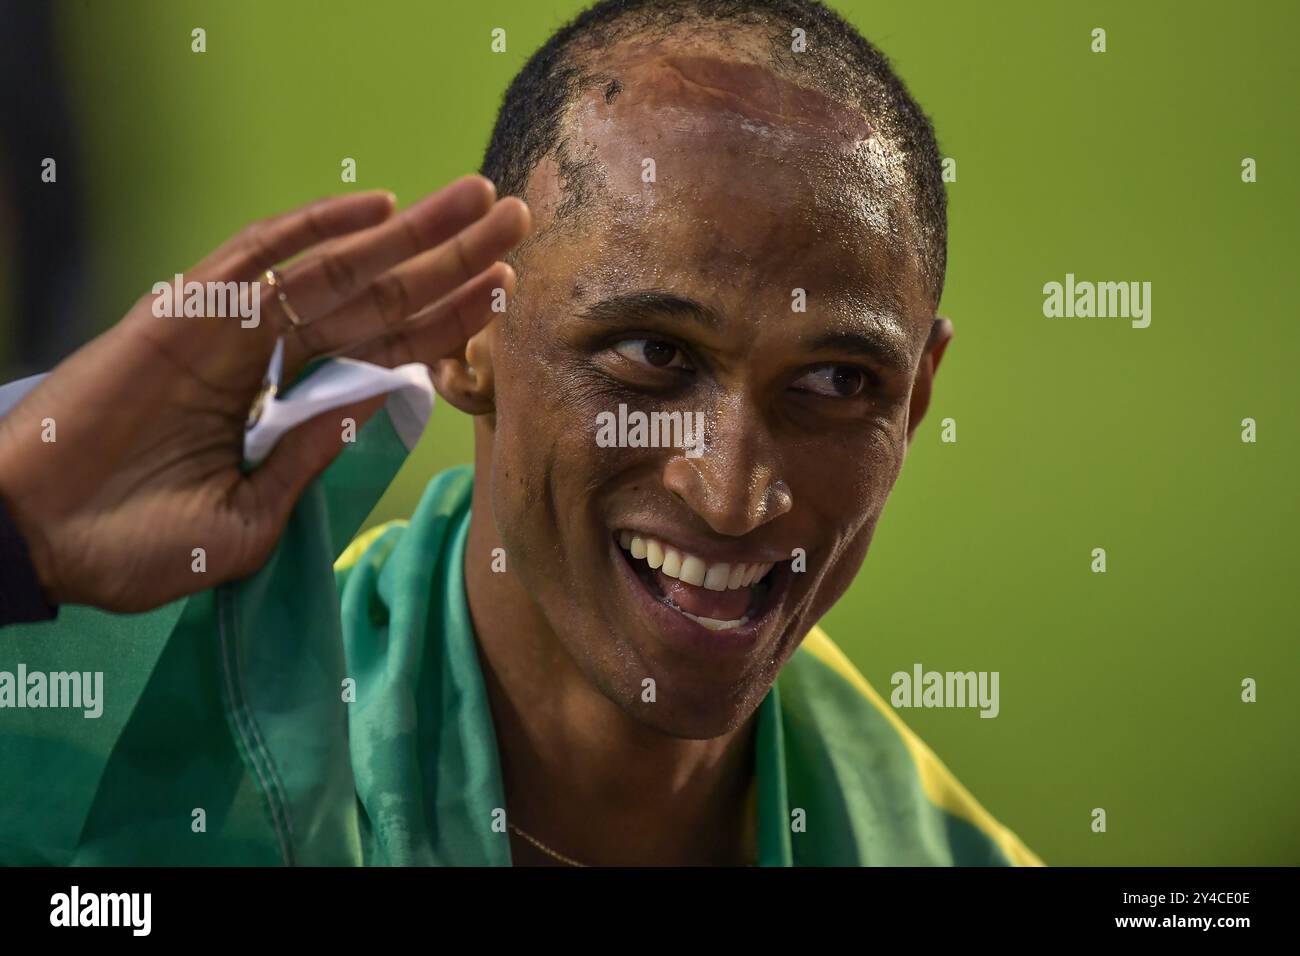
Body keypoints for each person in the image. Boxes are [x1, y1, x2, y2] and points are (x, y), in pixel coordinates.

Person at [0, 0, 1040, 866]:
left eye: (833, 379)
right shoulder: (119, 781)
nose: (731, 491)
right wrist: (17, 535)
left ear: (913, 402)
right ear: (467, 334)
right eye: (650, 354)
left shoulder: (949, 849)